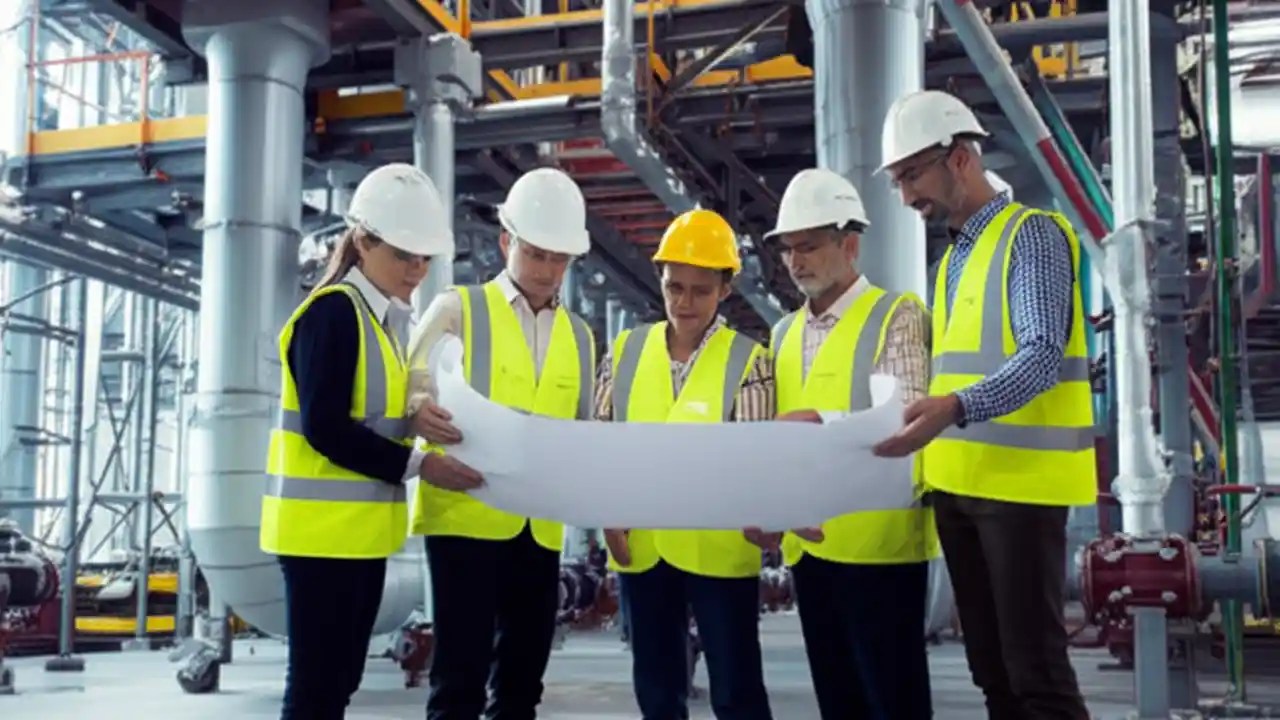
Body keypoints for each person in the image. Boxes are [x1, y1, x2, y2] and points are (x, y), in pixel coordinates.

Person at [873, 89, 1096, 720]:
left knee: (1037, 674)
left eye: (912, 175)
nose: (906, 197)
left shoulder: (1033, 236)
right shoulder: (950, 265)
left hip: (1021, 492)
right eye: (897, 182)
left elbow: (1041, 354)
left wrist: (954, 408)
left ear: (962, 158)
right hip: (960, 489)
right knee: (992, 672)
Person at [259, 163, 483, 720]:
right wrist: (419, 465)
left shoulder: (378, 319)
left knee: (336, 684)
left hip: (355, 536)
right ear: (362, 239)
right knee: (316, 691)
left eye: (423, 257)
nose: (416, 269)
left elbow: (367, 413)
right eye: (404, 255)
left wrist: (416, 420)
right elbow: (325, 427)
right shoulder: (334, 312)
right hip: (319, 539)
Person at [405, 166, 597, 720]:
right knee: (458, 680)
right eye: (536, 254)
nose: (547, 270)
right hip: (466, 519)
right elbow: (409, 397)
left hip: (538, 526)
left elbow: (580, 431)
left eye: (559, 259)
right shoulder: (456, 310)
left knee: (522, 682)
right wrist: (421, 415)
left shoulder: (580, 337)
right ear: (506, 240)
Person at [761, 167, 936, 720]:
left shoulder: (896, 315)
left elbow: (907, 417)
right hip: (810, 546)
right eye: (789, 249)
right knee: (839, 702)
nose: (796, 261)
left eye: (809, 246)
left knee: (894, 701)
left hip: (879, 545)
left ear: (851, 244)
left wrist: (821, 420)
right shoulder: (783, 333)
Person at [596, 208, 776, 720]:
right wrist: (609, 512)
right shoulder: (626, 351)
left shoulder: (750, 360)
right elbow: (602, 445)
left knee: (737, 690)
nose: (684, 302)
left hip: (719, 546)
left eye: (700, 289)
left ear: (725, 289)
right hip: (643, 546)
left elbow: (757, 456)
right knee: (657, 689)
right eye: (675, 287)